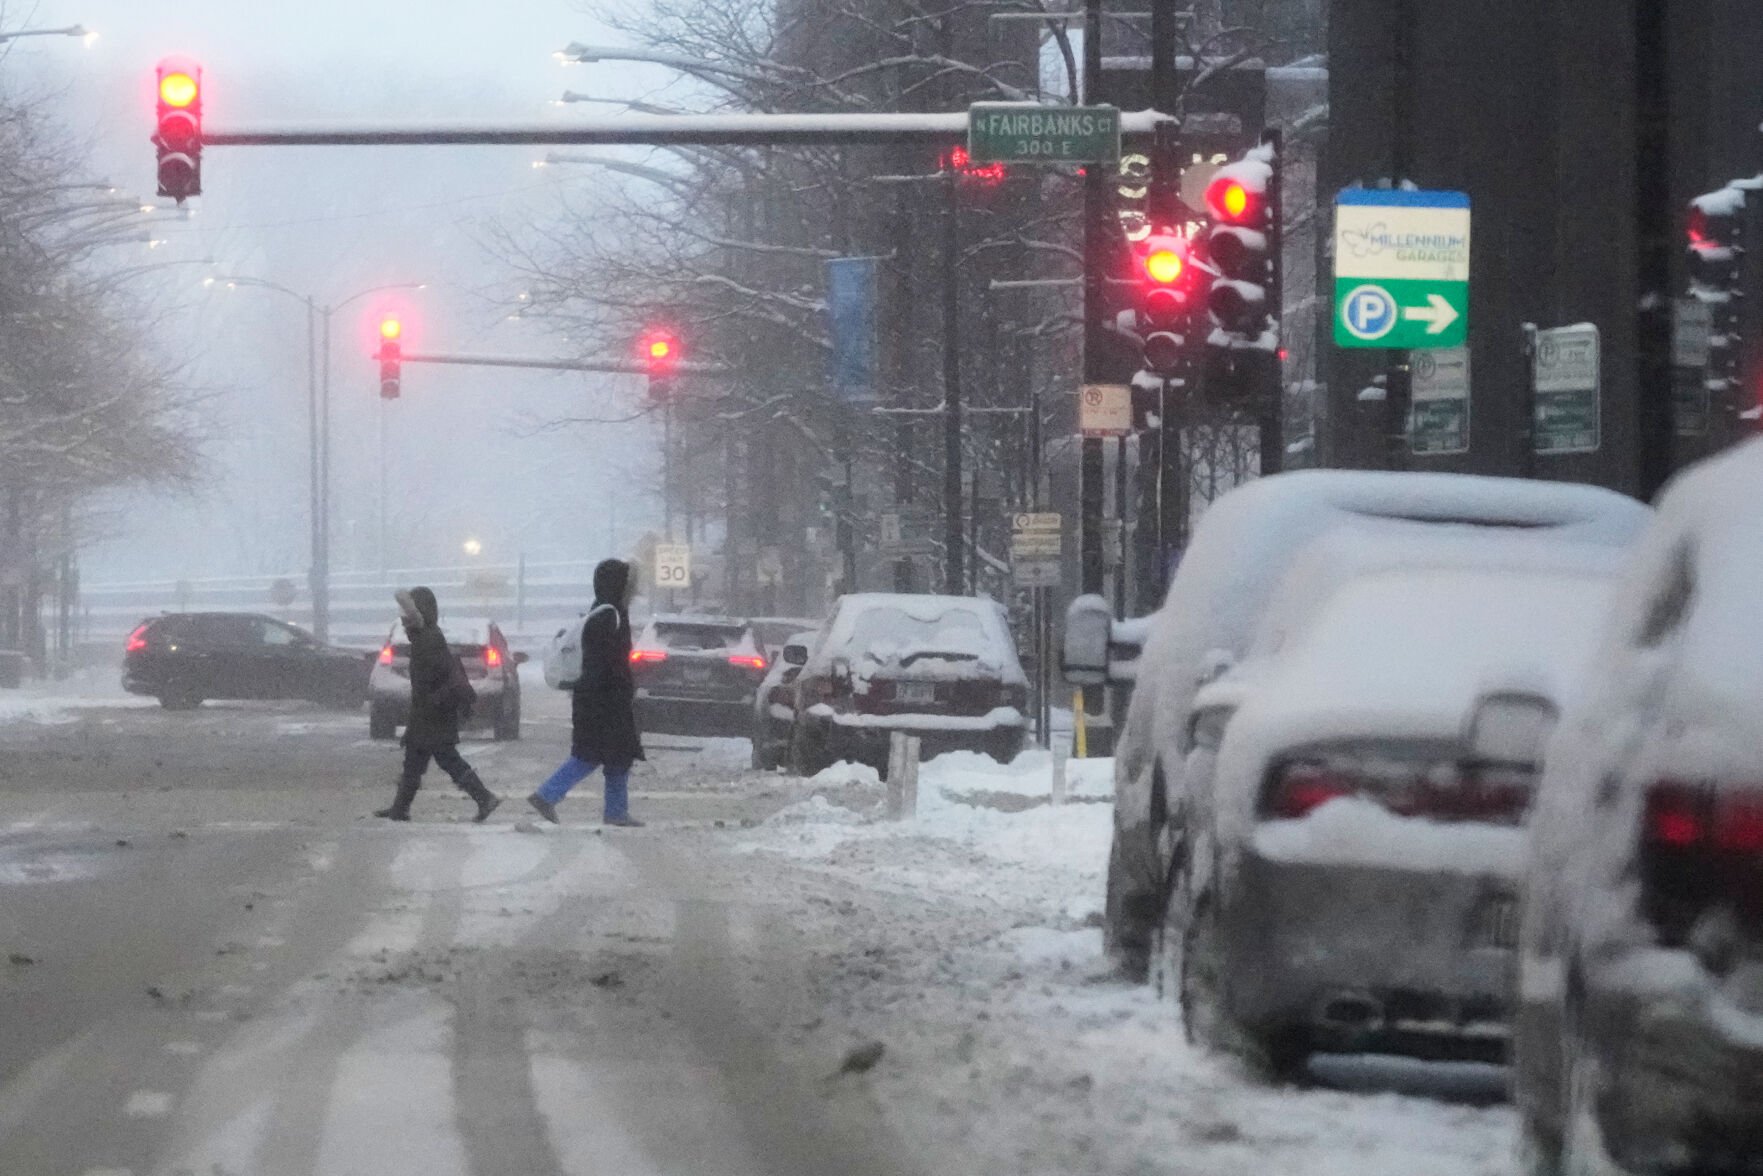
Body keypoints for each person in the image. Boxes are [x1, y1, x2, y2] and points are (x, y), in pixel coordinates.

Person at [528, 558, 645, 826]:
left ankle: (615, 810)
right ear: (619, 584)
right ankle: (547, 795)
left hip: (598, 698)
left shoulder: (604, 611)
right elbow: (604, 662)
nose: (634, 590)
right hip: (604, 701)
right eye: (628, 583)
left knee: (615, 755)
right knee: (593, 754)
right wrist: (619, 689)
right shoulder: (609, 615)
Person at [374, 586, 501, 823]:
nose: (403, 618)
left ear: (419, 613)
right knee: (417, 759)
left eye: (407, 613)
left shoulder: (428, 639)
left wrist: (430, 703)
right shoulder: (426, 637)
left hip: (433, 712)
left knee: (444, 758)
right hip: (430, 711)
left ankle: (484, 797)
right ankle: (400, 808)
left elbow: (437, 677)